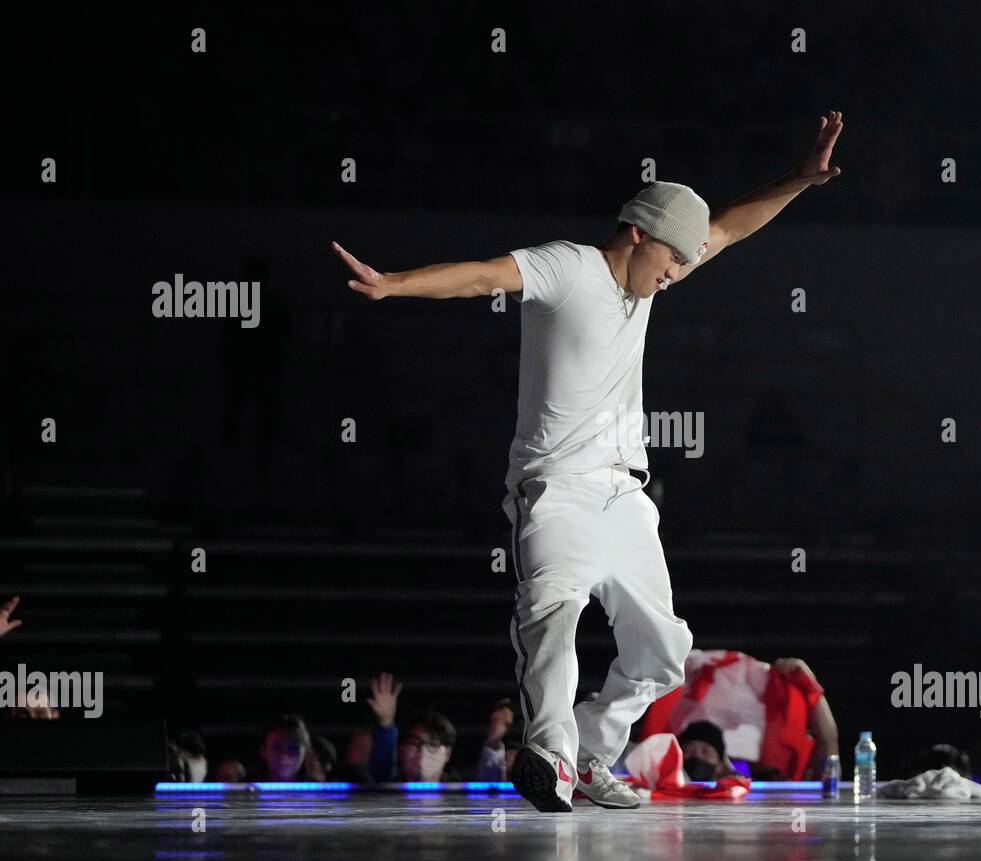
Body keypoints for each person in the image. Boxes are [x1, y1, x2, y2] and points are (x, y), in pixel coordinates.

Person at [331, 112, 846, 812]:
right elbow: (484, 273)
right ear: (638, 232)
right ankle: (545, 753)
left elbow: (727, 227)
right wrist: (396, 282)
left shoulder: (652, 276)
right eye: (670, 261)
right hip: (557, 491)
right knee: (553, 609)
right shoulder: (567, 267)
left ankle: (591, 754)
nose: (673, 278)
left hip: (625, 496)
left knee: (663, 654)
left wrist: (801, 179)